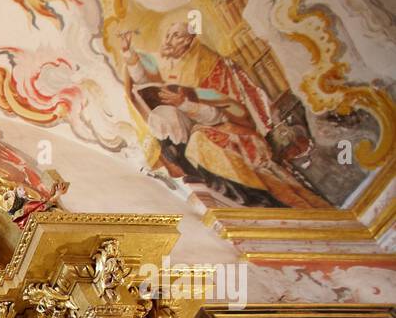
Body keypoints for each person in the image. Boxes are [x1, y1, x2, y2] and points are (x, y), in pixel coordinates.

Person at [120, 22, 328, 209]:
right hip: (198, 129)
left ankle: (253, 199)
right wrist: (128, 54)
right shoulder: (171, 65)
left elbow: (227, 112)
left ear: (188, 39)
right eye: (167, 36)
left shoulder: (207, 65)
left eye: (175, 36)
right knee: (176, 134)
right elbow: (143, 79)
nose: (167, 41)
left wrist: (184, 103)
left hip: (232, 129)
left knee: (200, 144)